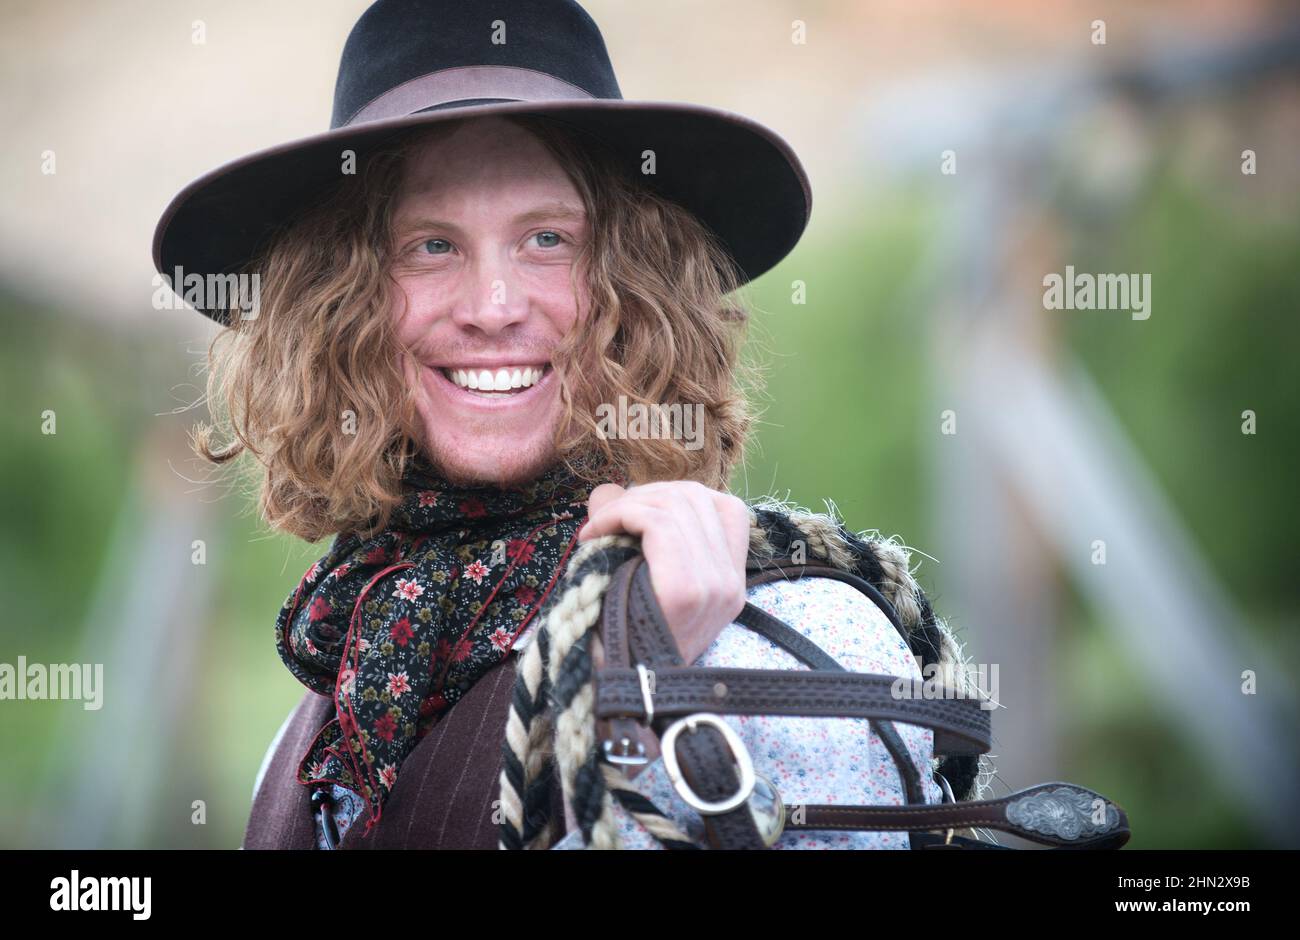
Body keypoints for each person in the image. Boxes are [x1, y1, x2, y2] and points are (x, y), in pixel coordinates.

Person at [153, 0, 981, 850]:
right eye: (429, 246)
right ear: (341, 304)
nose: (493, 308)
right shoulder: (331, 708)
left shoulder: (794, 647)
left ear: (636, 284)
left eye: (547, 238)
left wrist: (651, 707)